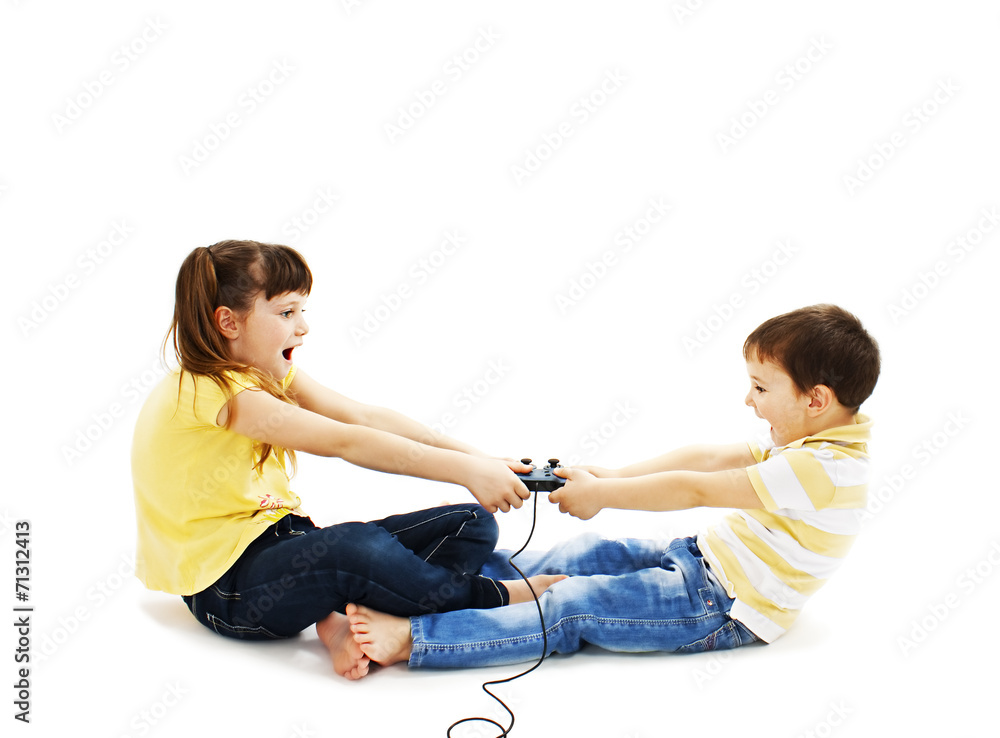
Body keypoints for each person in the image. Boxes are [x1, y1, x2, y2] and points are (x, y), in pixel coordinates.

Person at [340, 304, 880, 678]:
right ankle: (411, 583)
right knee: (579, 556)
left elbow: (696, 489)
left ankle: (416, 637)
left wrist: (603, 498)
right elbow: (710, 457)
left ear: (816, 399)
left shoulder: (824, 468)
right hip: (702, 561)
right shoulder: (812, 442)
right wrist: (612, 476)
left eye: (761, 388)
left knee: (572, 605)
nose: (748, 400)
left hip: (723, 607)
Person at [130, 240, 563, 678]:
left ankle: (342, 618)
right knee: (356, 548)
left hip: (282, 541)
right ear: (229, 322)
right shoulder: (211, 390)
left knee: (473, 524)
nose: (302, 327)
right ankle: (497, 596)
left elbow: (363, 416)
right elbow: (346, 441)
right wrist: (467, 472)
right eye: (286, 312)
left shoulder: (259, 372)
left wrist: (481, 460)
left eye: (303, 311)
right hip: (228, 589)